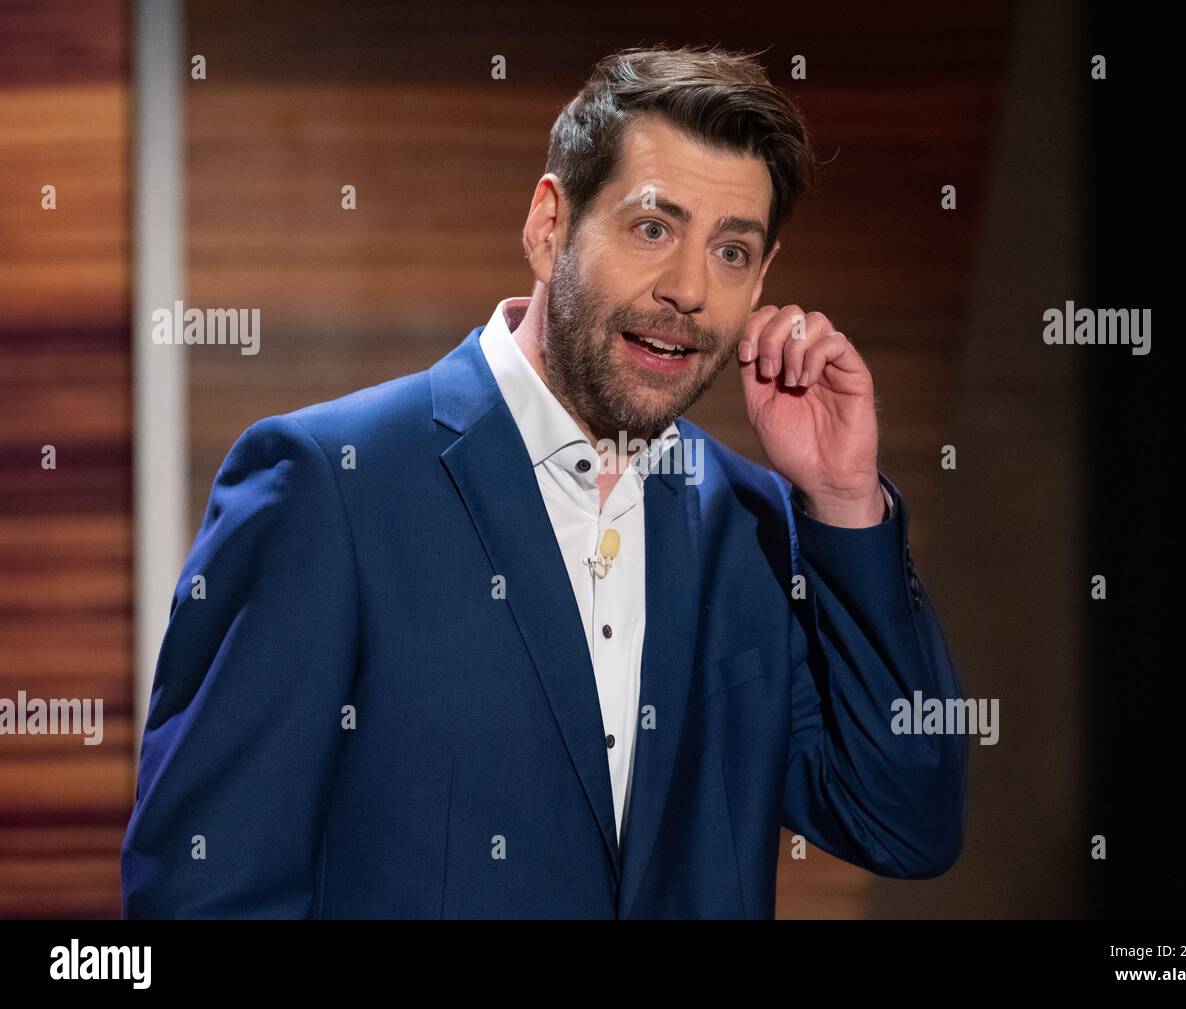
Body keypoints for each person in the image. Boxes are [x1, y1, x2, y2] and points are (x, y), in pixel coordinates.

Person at [121, 43, 967, 919]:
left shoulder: (755, 523)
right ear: (548, 224)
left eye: (731, 251)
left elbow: (903, 823)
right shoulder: (327, 486)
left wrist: (843, 500)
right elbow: (203, 887)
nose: (687, 288)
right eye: (652, 228)